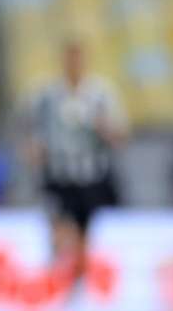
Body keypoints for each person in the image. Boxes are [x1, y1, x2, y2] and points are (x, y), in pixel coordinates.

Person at [25, 41, 126, 294]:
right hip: (58, 174)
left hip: (90, 176)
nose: (73, 64)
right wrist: (34, 149)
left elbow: (119, 134)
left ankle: (76, 285)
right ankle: (62, 276)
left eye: (78, 59)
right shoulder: (47, 94)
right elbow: (31, 129)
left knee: (83, 234)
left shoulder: (101, 93)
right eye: (69, 58)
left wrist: (101, 127)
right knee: (59, 226)